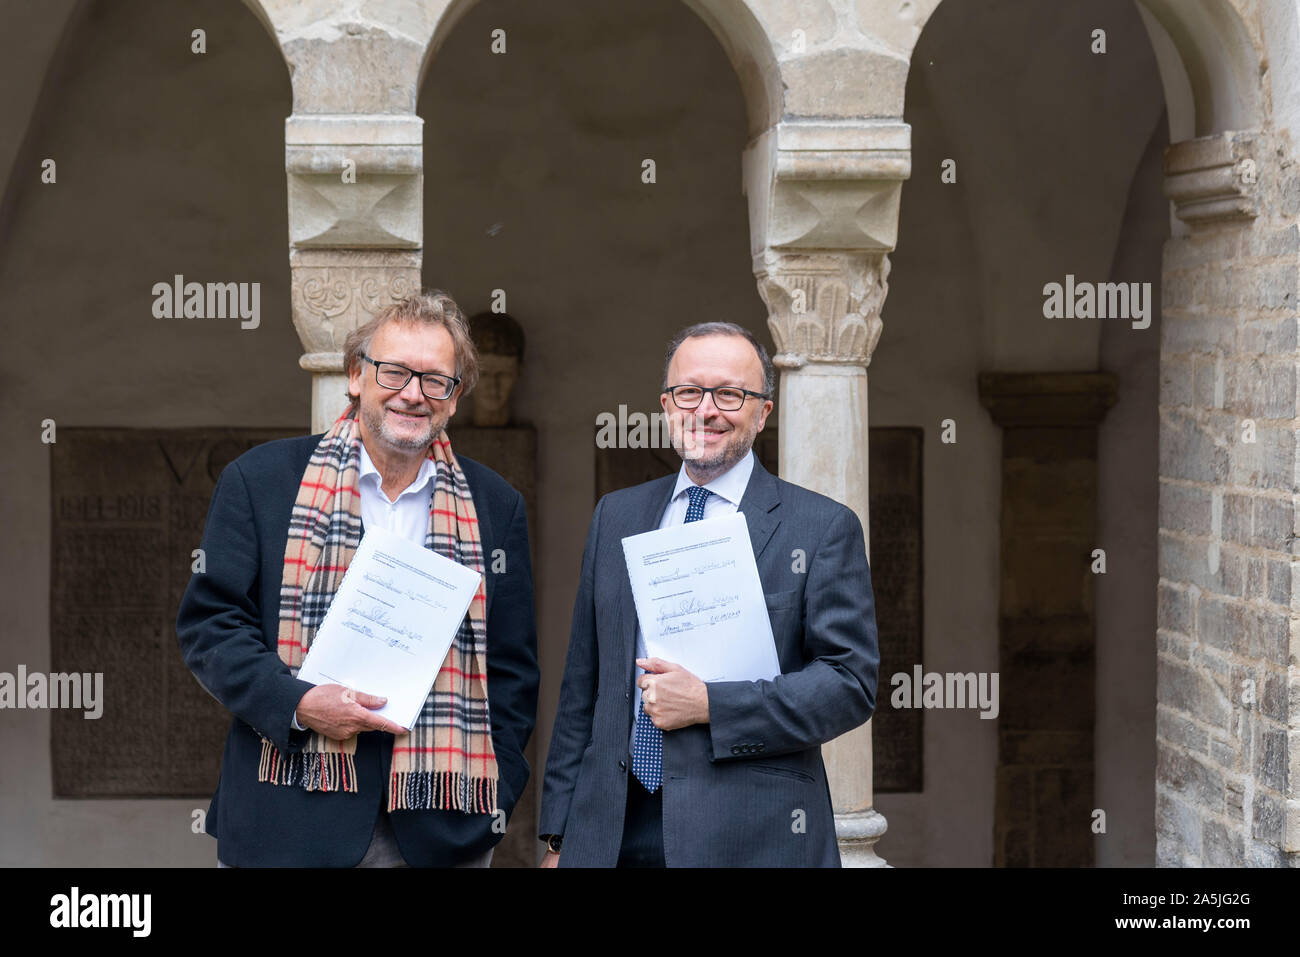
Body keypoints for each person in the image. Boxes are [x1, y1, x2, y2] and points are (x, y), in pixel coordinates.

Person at [176, 291, 538, 867]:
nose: (412, 393)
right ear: (355, 375)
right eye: (393, 372)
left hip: (439, 830)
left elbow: (513, 669)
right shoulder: (262, 481)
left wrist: (496, 791)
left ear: (454, 397)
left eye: (435, 380)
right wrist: (298, 703)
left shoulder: (496, 506)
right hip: (286, 818)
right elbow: (211, 627)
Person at [538, 321, 879, 867]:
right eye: (689, 392)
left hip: (752, 836)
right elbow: (584, 685)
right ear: (668, 405)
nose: (706, 410)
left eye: (730, 394)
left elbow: (849, 683)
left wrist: (712, 706)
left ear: (763, 411)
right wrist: (558, 836)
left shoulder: (820, 527)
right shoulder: (616, 516)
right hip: (611, 834)